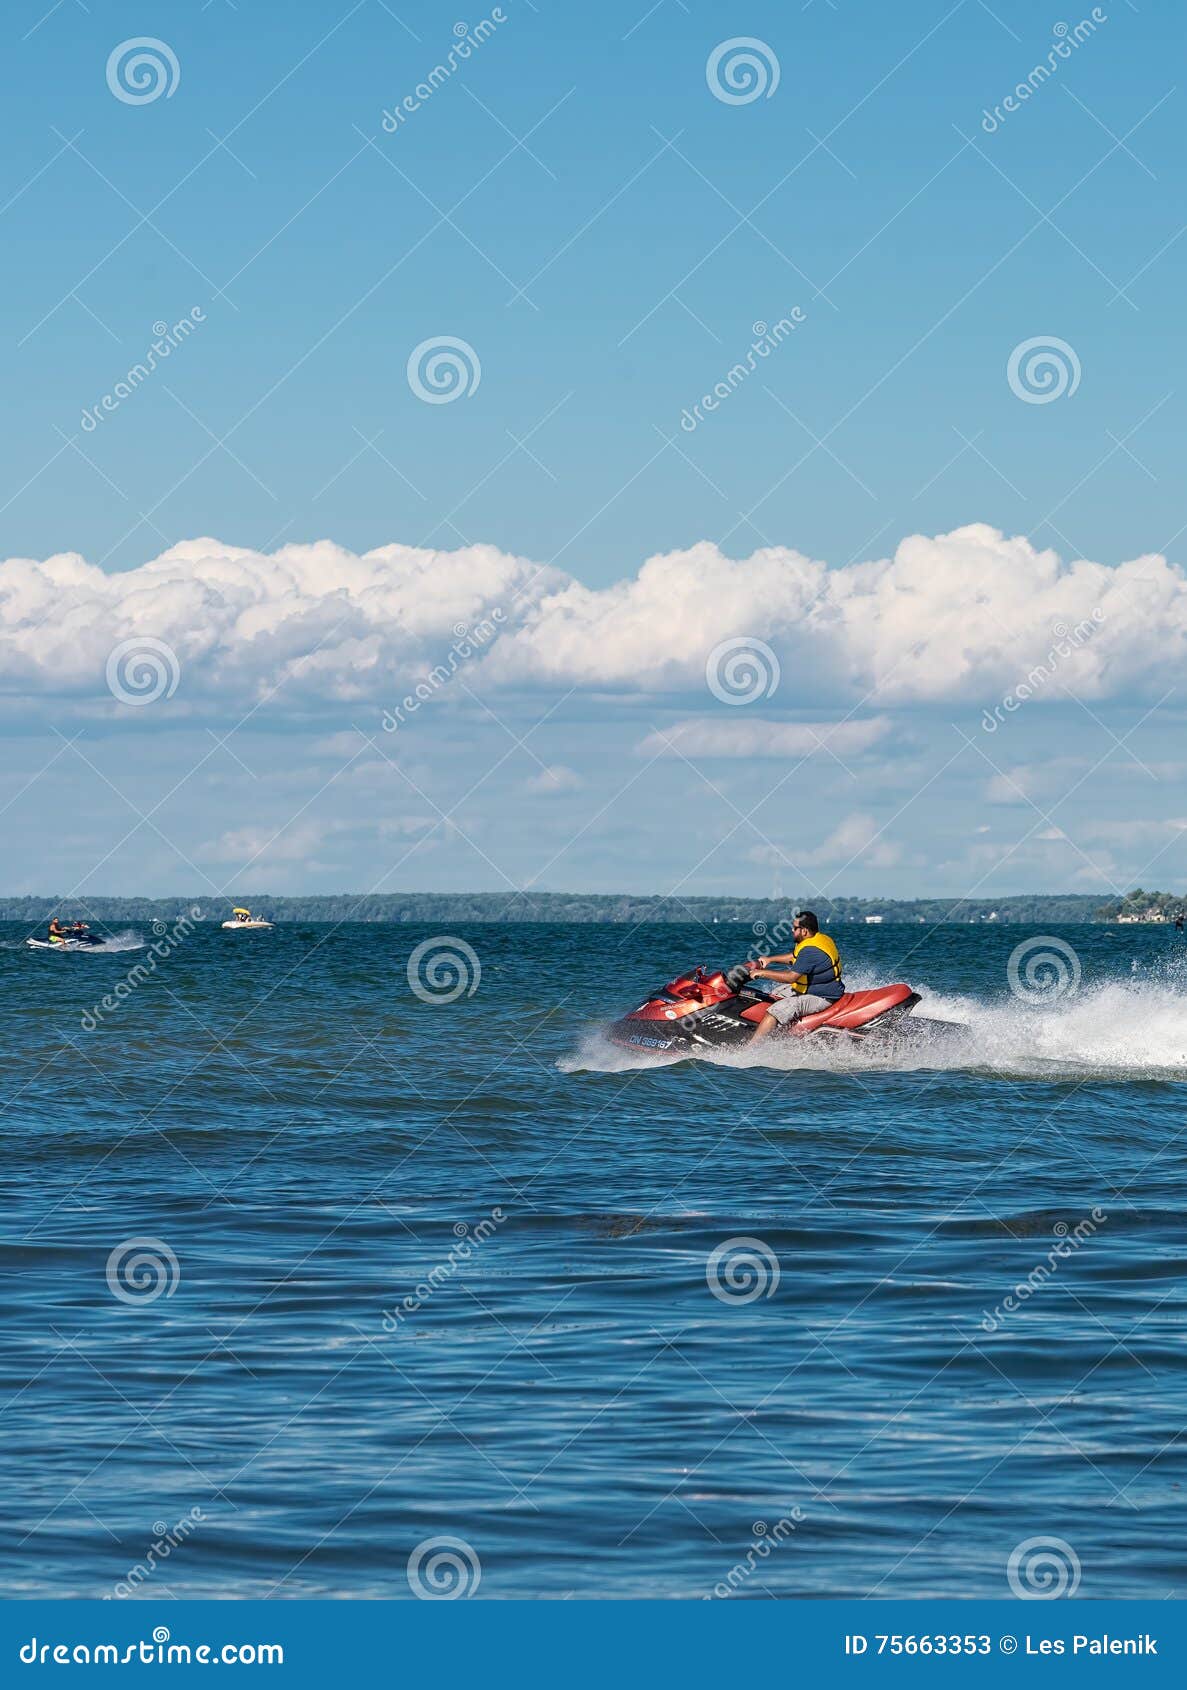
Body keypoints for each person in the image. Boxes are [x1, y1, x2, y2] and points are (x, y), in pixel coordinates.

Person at [744, 910, 844, 1044]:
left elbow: (791, 977)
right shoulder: (819, 939)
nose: (792, 930)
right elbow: (795, 957)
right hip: (813, 989)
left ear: (804, 931)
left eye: (795, 928)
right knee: (771, 996)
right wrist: (770, 959)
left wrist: (761, 973)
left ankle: (751, 1049)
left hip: (821, 997)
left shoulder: (811, 951)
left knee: (775, 1011)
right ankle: (767, 1030)